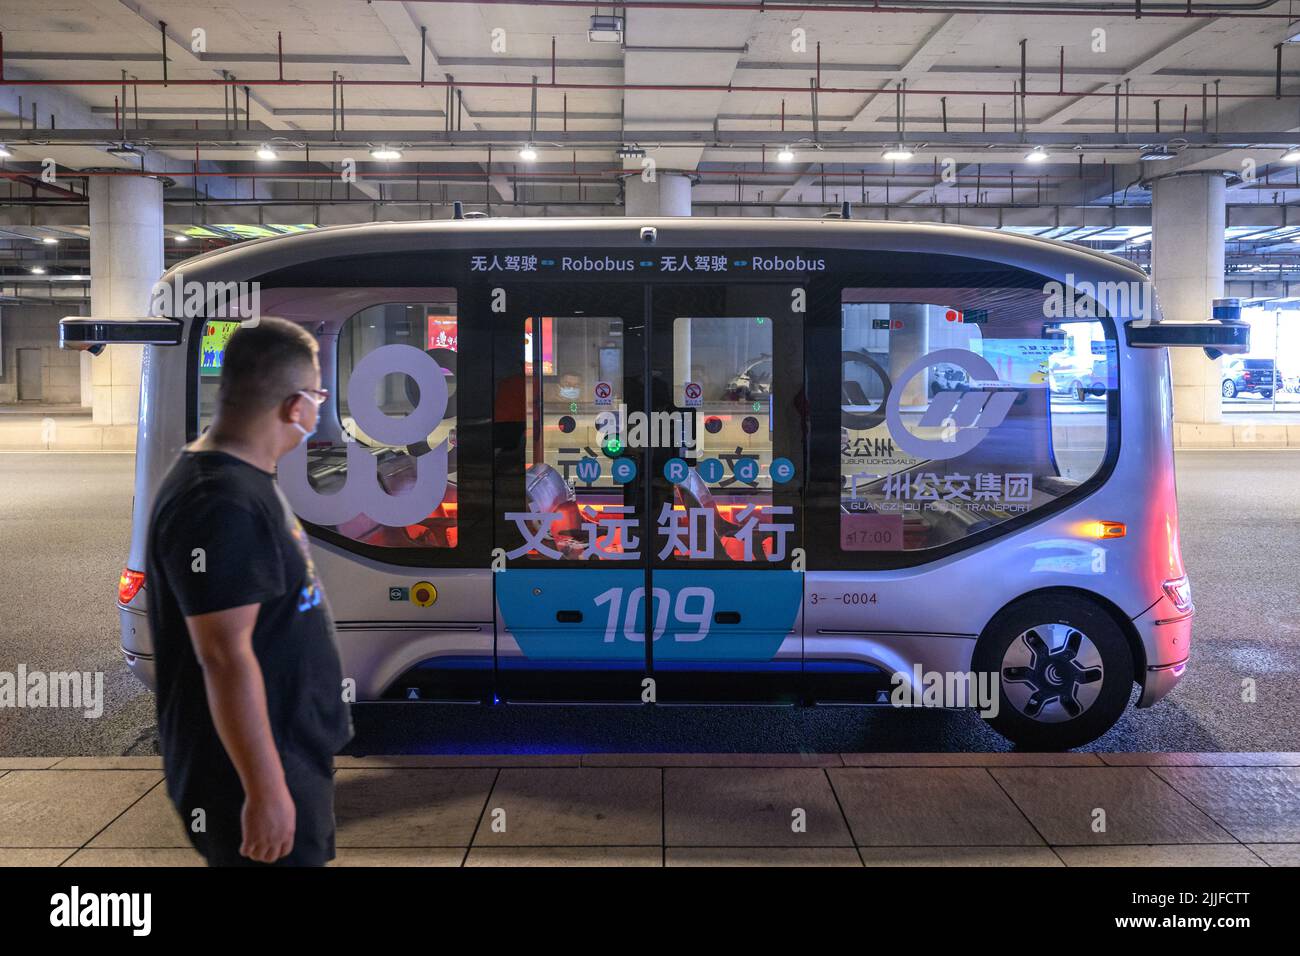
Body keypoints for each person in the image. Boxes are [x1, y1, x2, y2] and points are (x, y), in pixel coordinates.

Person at [146, 316, 353, 866]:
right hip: (246, 776)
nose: (318, 408)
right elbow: (223, 656)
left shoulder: (242, 481)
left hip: (286, 757)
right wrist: (264, 792)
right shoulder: (219, 500)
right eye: (318, 394)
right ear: (294, 406)